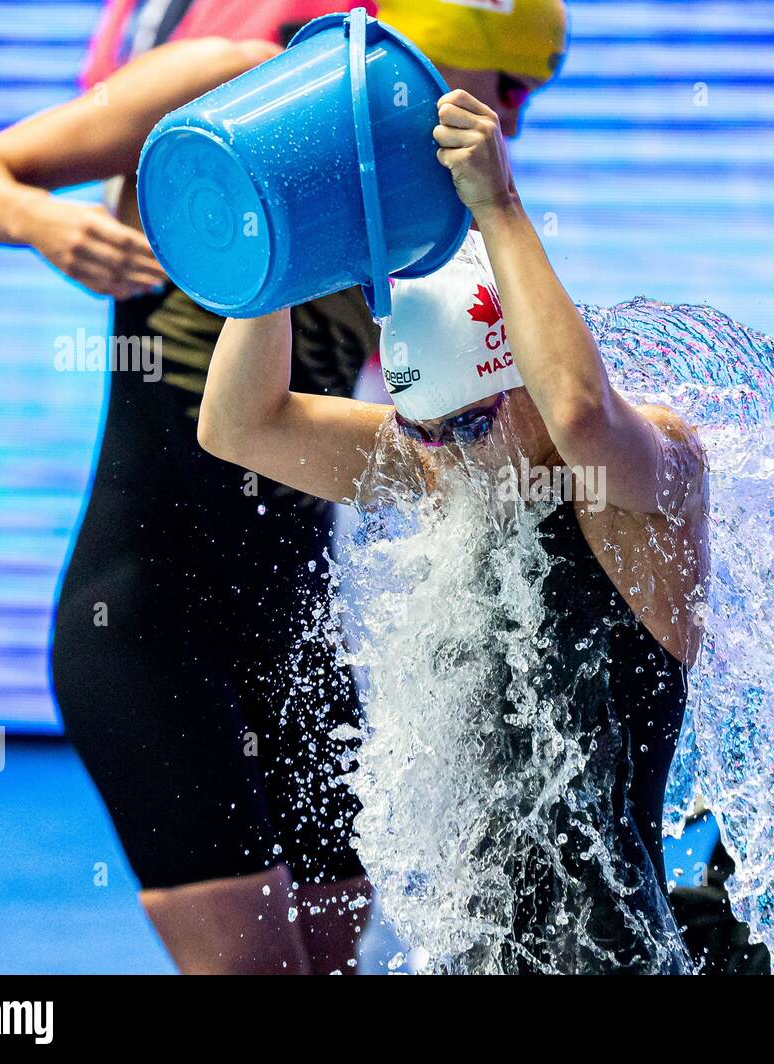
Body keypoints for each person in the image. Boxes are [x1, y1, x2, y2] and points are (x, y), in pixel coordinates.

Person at [0, 0, 568, 974]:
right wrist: (44, 221)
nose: (515, 120)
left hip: (298, 633)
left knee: (330, 965)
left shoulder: (432, 201)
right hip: (148, 618)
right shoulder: (223, 75)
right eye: (513, 85)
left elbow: (472, 442)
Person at [197, 80, 705, 971]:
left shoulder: (642, 485)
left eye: (469, 424)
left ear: (528, 390)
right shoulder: (444, 469)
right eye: (421, 430)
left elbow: (584, 413)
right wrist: (270, 250)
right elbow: (241, 426)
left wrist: (498, 207)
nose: (447, 456)